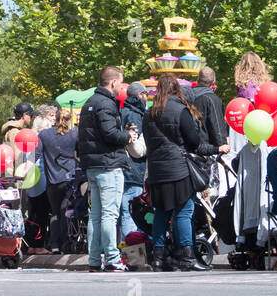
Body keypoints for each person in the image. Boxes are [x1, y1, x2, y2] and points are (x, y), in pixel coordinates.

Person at [143, 74, 212, 272]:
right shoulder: (180, 110)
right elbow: (193, 141)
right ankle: (187, 256)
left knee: (161, 213)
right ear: (176, 89)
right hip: (178, 169)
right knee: (183, 212)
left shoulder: (148, 114)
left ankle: (158, 257)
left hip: (156, 170)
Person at [77, 66, 137, 273]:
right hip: (109, 164)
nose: (121, 87)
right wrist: (128, 136)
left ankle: (94, 259)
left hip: (92, 165)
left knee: (96, 215)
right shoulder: (106, 103)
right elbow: (110, 134)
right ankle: (112, 258)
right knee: (110, 214)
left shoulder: (89, 103)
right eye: (120, 83)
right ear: (113, 83)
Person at [39, 105, 79, 253]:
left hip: (52, 181)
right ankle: (66, 245)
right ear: (69, 120)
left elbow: (35, 154)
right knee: (66, 212)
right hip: (70, 179)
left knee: (55, 213)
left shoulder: (44, 135)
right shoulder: (75, 134)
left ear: (55, 119)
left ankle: (54, 244)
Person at [119, 82, 149, 244]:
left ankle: (123, 250)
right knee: (130, 213)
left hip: (123, 169)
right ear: (140, 95)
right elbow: (135, 148)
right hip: (133, 171)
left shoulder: (122, 112)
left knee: (122, 213)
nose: (147, 98)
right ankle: (132, 253)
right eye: (146, 94)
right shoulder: (134, 115)